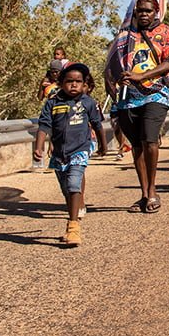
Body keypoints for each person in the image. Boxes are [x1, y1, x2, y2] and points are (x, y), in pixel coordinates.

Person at [104, 0, 169, 215]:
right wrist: (111, 82)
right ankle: (144, 193)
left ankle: (153, 189)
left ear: (156, 12)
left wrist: (142, 76)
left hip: (155, 93)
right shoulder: (125, 35)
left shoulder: (165, 32)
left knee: (149, 139)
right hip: (128, 97)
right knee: (136, 144)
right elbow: (111, 63)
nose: (144, 14)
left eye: (148, 11)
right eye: (140, 11)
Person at [34, 63, 105, 246]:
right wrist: (39, 147)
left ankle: (73, 228)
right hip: (59, 154)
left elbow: (97, 124)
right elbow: (44, 126)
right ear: (60, 83)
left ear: (84, 84)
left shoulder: (88, 103)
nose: (74, 85)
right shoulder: (52, 103)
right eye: (69, 81)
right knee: (67, 189)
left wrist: (103, 146)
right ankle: (73, 216)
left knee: (74, 183)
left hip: (80, 149)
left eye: (78, 81)